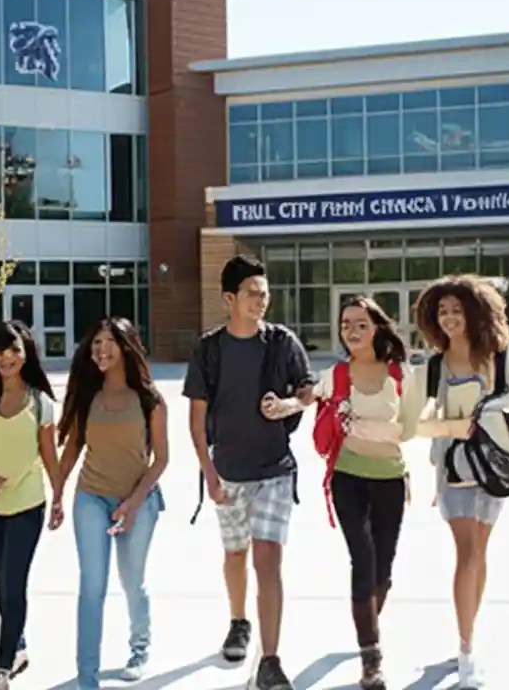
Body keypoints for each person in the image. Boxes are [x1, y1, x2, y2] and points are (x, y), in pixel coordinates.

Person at [183, 254, 315, 690]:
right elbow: (197, 420)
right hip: (228, 473)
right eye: (253, 294)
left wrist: (288, 406)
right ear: (229, 299)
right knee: (236, 554)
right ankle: (239, 622)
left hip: (275, 470)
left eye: (265, 293)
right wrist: (209, 476)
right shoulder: (209, 349)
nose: (262, 300)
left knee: (267, 558)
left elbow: (308, 391)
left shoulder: (282, 343)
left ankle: (271, 661)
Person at [408, 275, 509, 689]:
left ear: (474, 312)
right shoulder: (436, 363)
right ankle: (466, 649)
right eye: (443, 311)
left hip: (493, 466)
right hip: (455, 468)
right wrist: (449, 426)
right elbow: (413, 423)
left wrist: (484, 414)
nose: (449, 317)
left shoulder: (500, 355)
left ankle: (467, 639)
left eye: (457, 310)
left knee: (480, 550)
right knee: (467, 551)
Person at [297, 295, 410, 689]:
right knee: (362, 563)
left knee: (383, 570)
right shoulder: (337, 374)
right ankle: (371, 656)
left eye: (361, 323)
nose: (352, 331)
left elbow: (415, 425)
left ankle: (369, 617)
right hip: (347, 477)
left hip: (391, 480)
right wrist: (279, 405)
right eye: (346, 324)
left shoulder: (400, 375)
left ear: (376, 327)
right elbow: (306, 397)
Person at [56, 317, 169, 689]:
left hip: (138, 501)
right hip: (91, 497)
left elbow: (162, 460)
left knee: (132, 582)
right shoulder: (90, 396)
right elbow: (72, 446)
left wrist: (135, 502)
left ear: (125, 347)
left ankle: (140, 648)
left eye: (108, 343)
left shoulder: (150, 398)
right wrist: (57, 493)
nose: (100, 351)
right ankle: (87, 678)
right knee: (92, 586)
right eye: (95, 345)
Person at [0, 319, 64, 690]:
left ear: (26, 352)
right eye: (0, 350)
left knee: (14, 585)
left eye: (15, 349)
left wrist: (59, 498)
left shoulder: (41, 403)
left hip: (27, 506)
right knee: (2, 583)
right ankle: (18, 647)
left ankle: (2, 668)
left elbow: (50, 457)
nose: (8, 357)